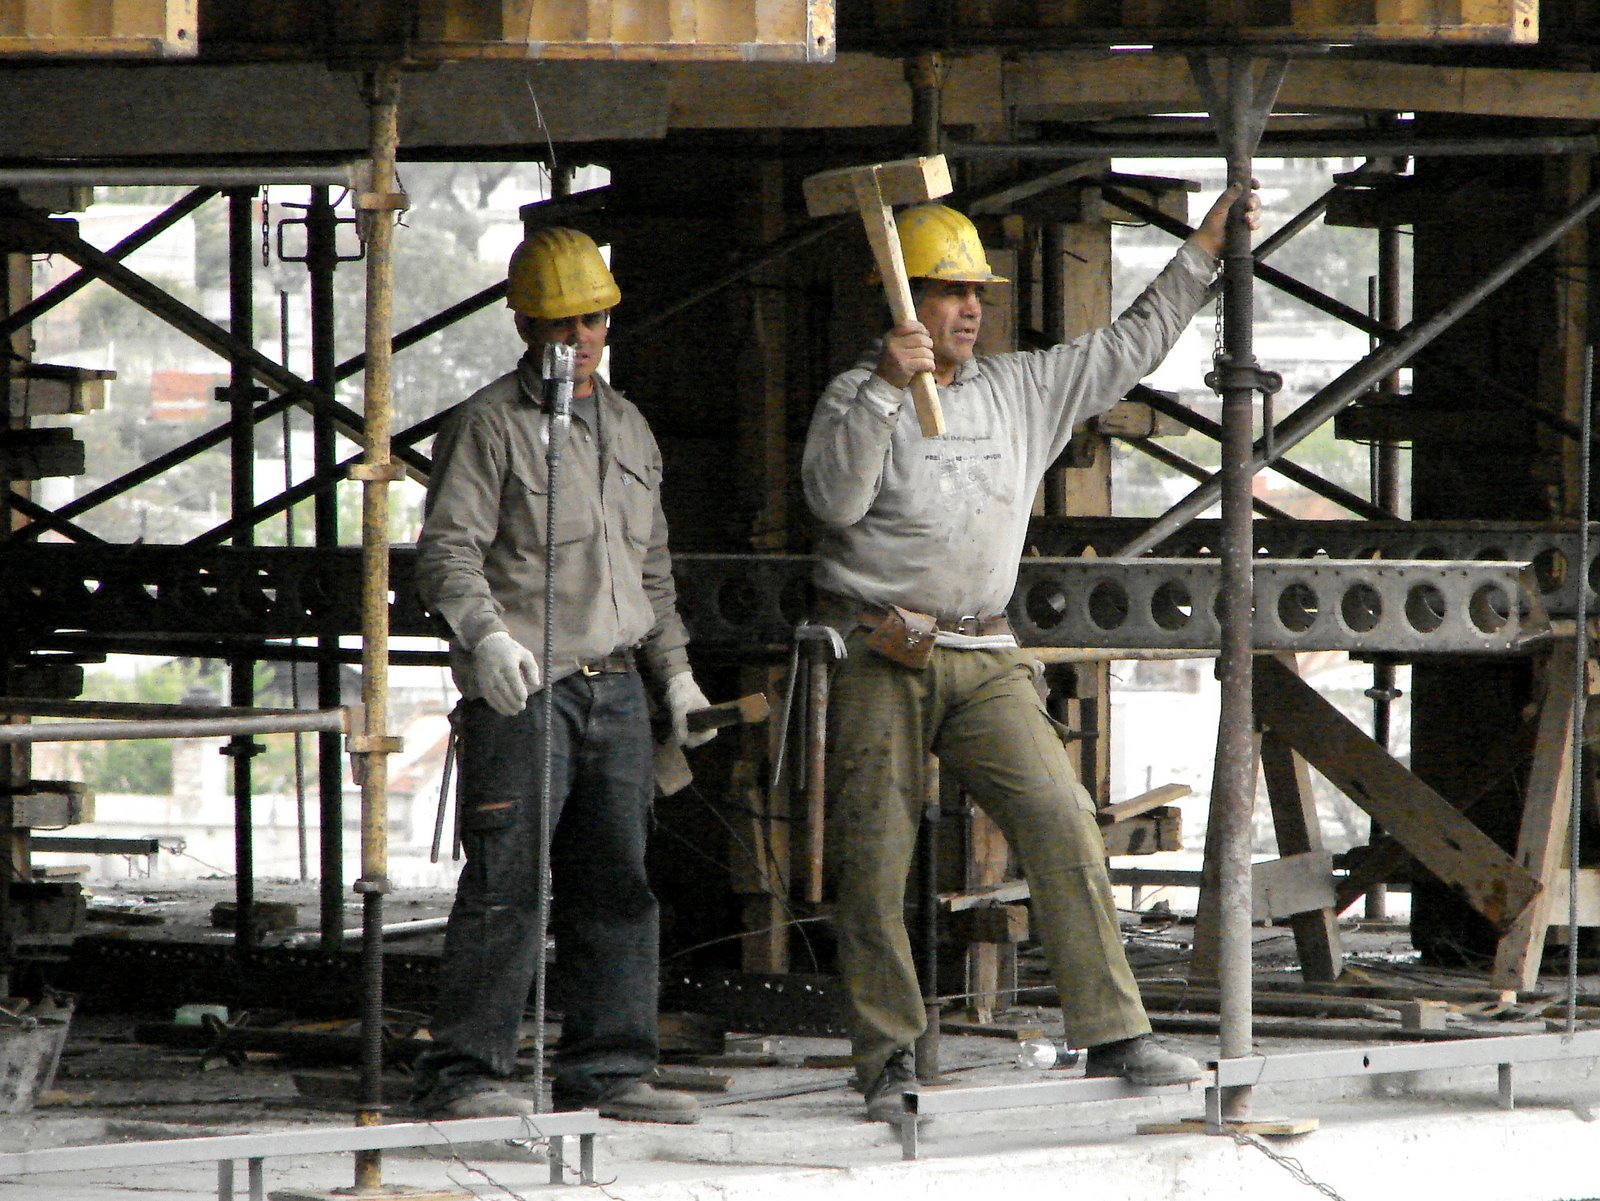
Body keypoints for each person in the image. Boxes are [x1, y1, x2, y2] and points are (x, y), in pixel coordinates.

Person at [802, 185, 1260, 1122]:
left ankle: (1113, 1030)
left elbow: (1128, 346)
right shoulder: (855, 397)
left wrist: (1203, 249)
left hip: (983, 649)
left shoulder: (1018, 389)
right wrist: (889, 390)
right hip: (882, 647)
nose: (971, 307)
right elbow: (836, 504)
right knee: (874, 861)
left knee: (1059, 816)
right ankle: (889, 1055)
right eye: (947, 291)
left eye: (978, 292)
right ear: (902, 302)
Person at [410, 226, 714, 1124]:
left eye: (591, 320)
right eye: (559, 322)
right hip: (527, 692)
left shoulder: (628, 428)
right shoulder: (489, 427)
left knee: (617, 884)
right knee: (508, 884)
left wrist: (679, 677)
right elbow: (448, 557)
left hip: (617, 689)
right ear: (524, 322)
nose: (577, 338)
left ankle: (610, 1067)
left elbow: (651, 571)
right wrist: (489, 639)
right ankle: (464, 1070)